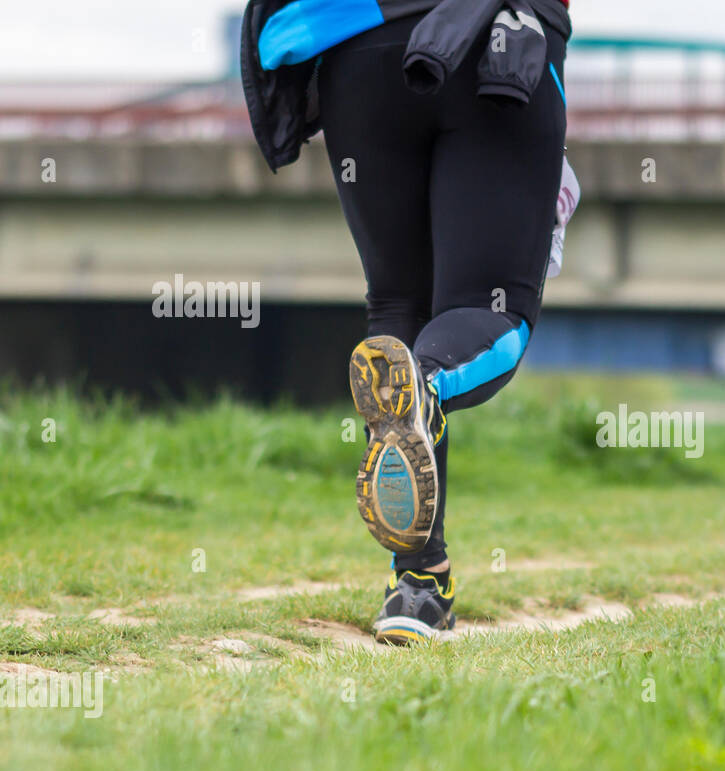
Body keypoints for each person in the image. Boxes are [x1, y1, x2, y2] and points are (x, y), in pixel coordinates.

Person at [241, 0, 573, 643]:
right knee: (488, 307)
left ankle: (418, 584)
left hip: (359, 58)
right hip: (491, 45)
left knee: (397, 305)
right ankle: (424, 384)